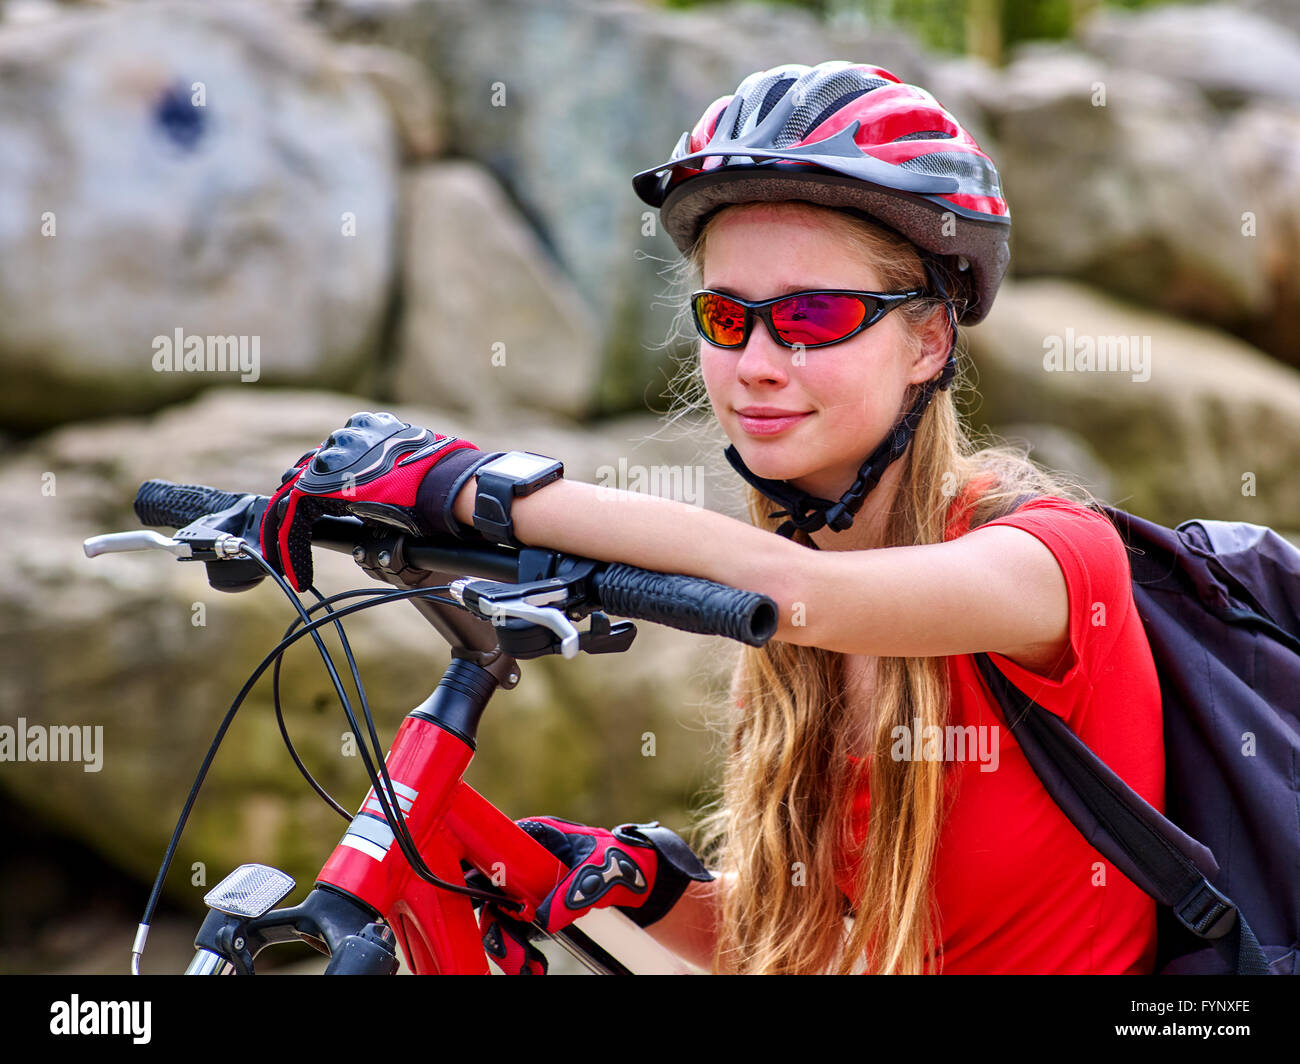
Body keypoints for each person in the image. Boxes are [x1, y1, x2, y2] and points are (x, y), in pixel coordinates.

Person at [260, 61, 1165, 975]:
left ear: (929, 339)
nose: (758, 362)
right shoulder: (780, 651)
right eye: (728, 317)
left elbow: (810, 592)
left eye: (812, 314)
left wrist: (483, 486)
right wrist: (652, 894)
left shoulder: (1052, 559)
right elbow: (805, 945)